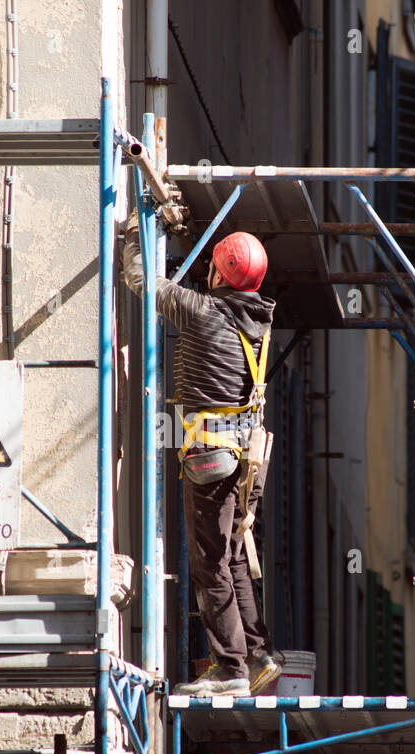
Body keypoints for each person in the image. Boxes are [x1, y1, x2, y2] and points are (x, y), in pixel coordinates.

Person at [121, 209, 282, 697]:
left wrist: (134, 232)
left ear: (218, 273)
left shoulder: (201, 309)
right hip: (248, 458)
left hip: (210, 456)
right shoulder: (260, 322)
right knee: (233, 556)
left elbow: (140, 280)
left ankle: (230, 669)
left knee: (210, 563)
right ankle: (256, 654)